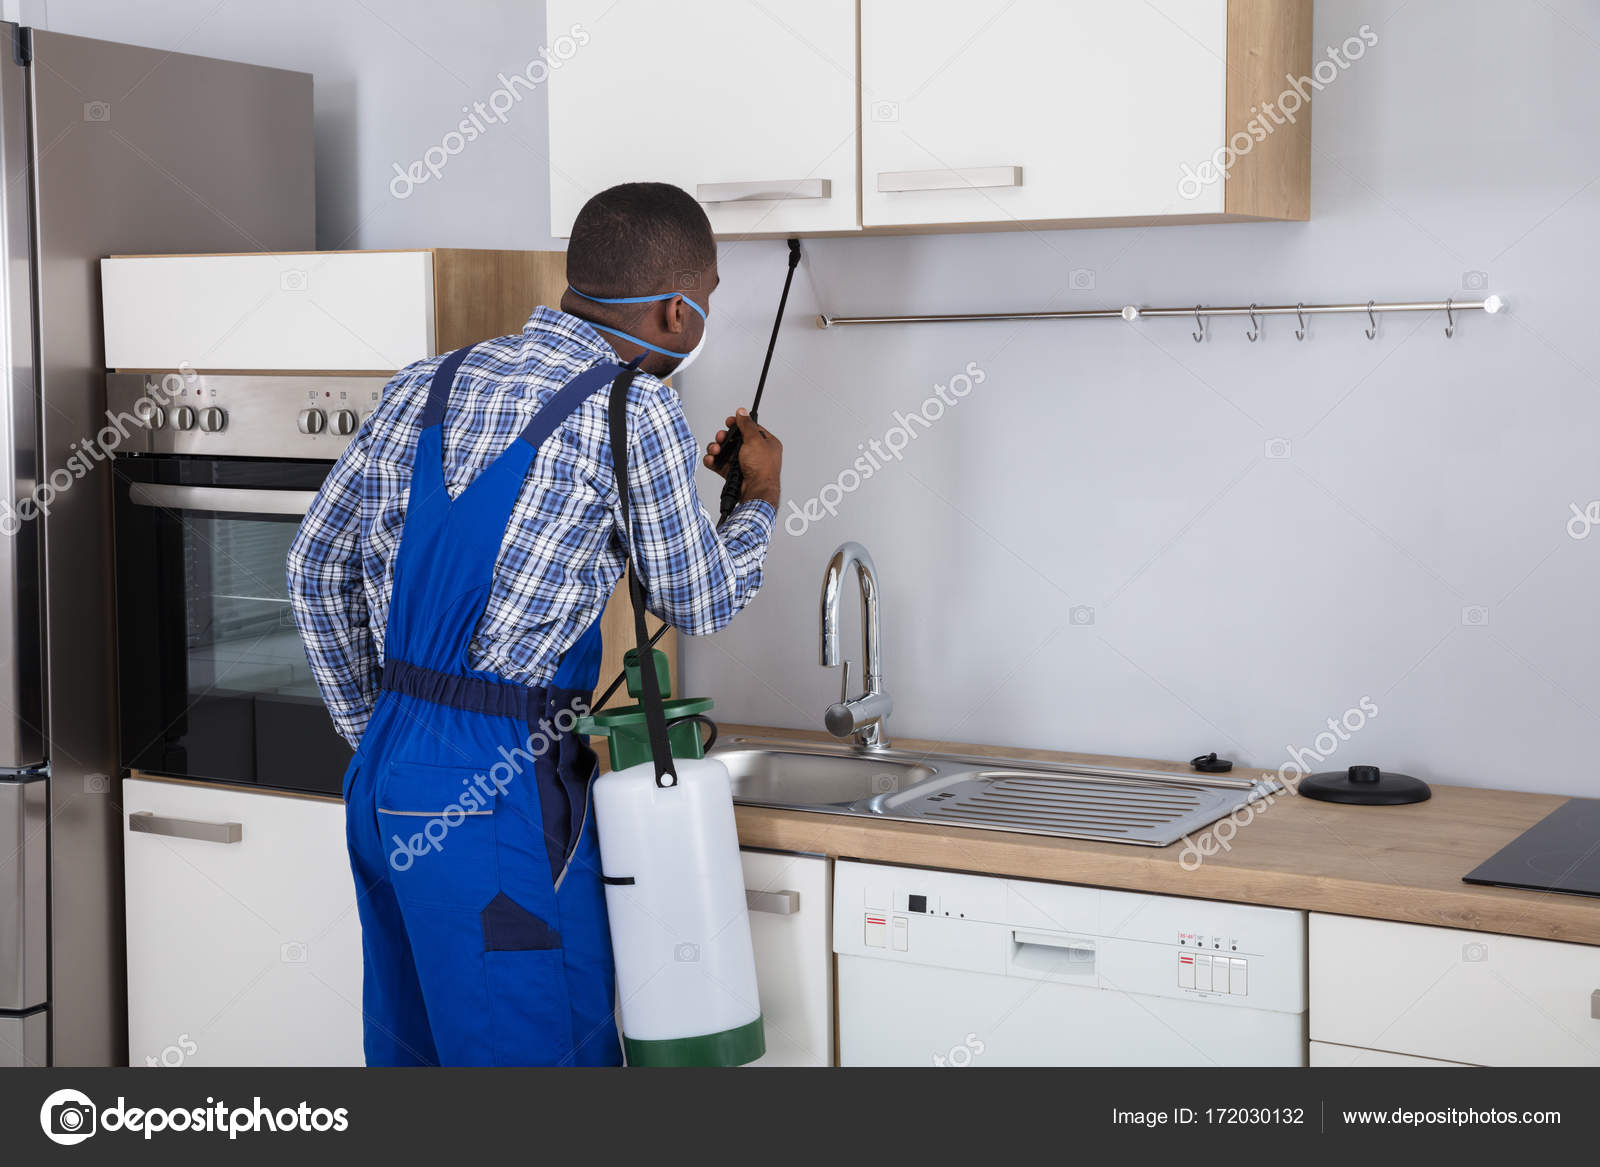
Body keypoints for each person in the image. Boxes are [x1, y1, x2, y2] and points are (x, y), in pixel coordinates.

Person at [286, 182, 782, 1067]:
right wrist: (760, 499)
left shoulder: (423, 383)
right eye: (709, 293)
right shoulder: (632, 408)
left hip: (388, 777)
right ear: (679, 308)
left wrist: (384, 735)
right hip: (501, 786)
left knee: (417, 1061)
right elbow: (700, 601)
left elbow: (312, 566)